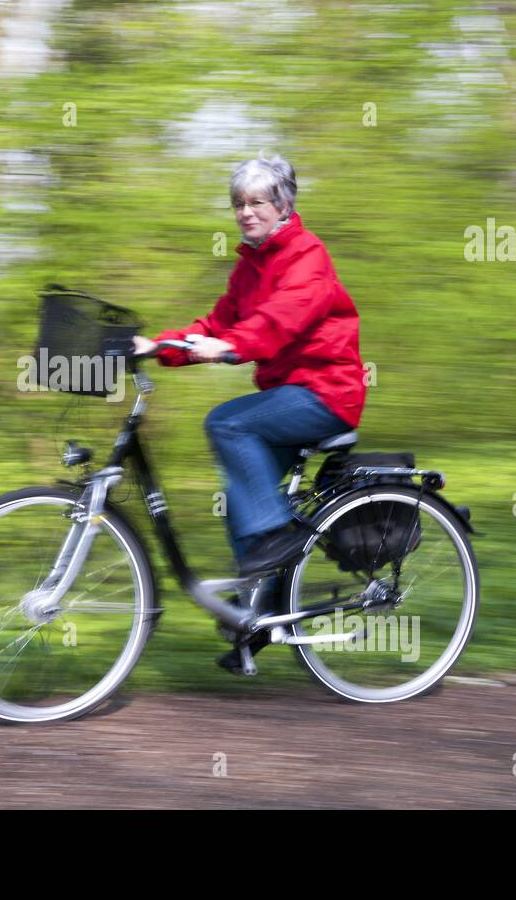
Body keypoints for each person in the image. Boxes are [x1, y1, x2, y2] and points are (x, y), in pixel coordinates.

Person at [133, 154, 366, 669]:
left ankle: (277, 542)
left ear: (282, 205)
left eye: (256, 201)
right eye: (239, 203)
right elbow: (215, 324)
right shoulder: (250, 266)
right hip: (286, 397)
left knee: (226, 421)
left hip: (325, 392)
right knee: (241, 495)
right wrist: (158, 346)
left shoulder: (307, 256)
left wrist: (231, 348)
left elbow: (281, 320)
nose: (245, 212)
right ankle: (261, 616)